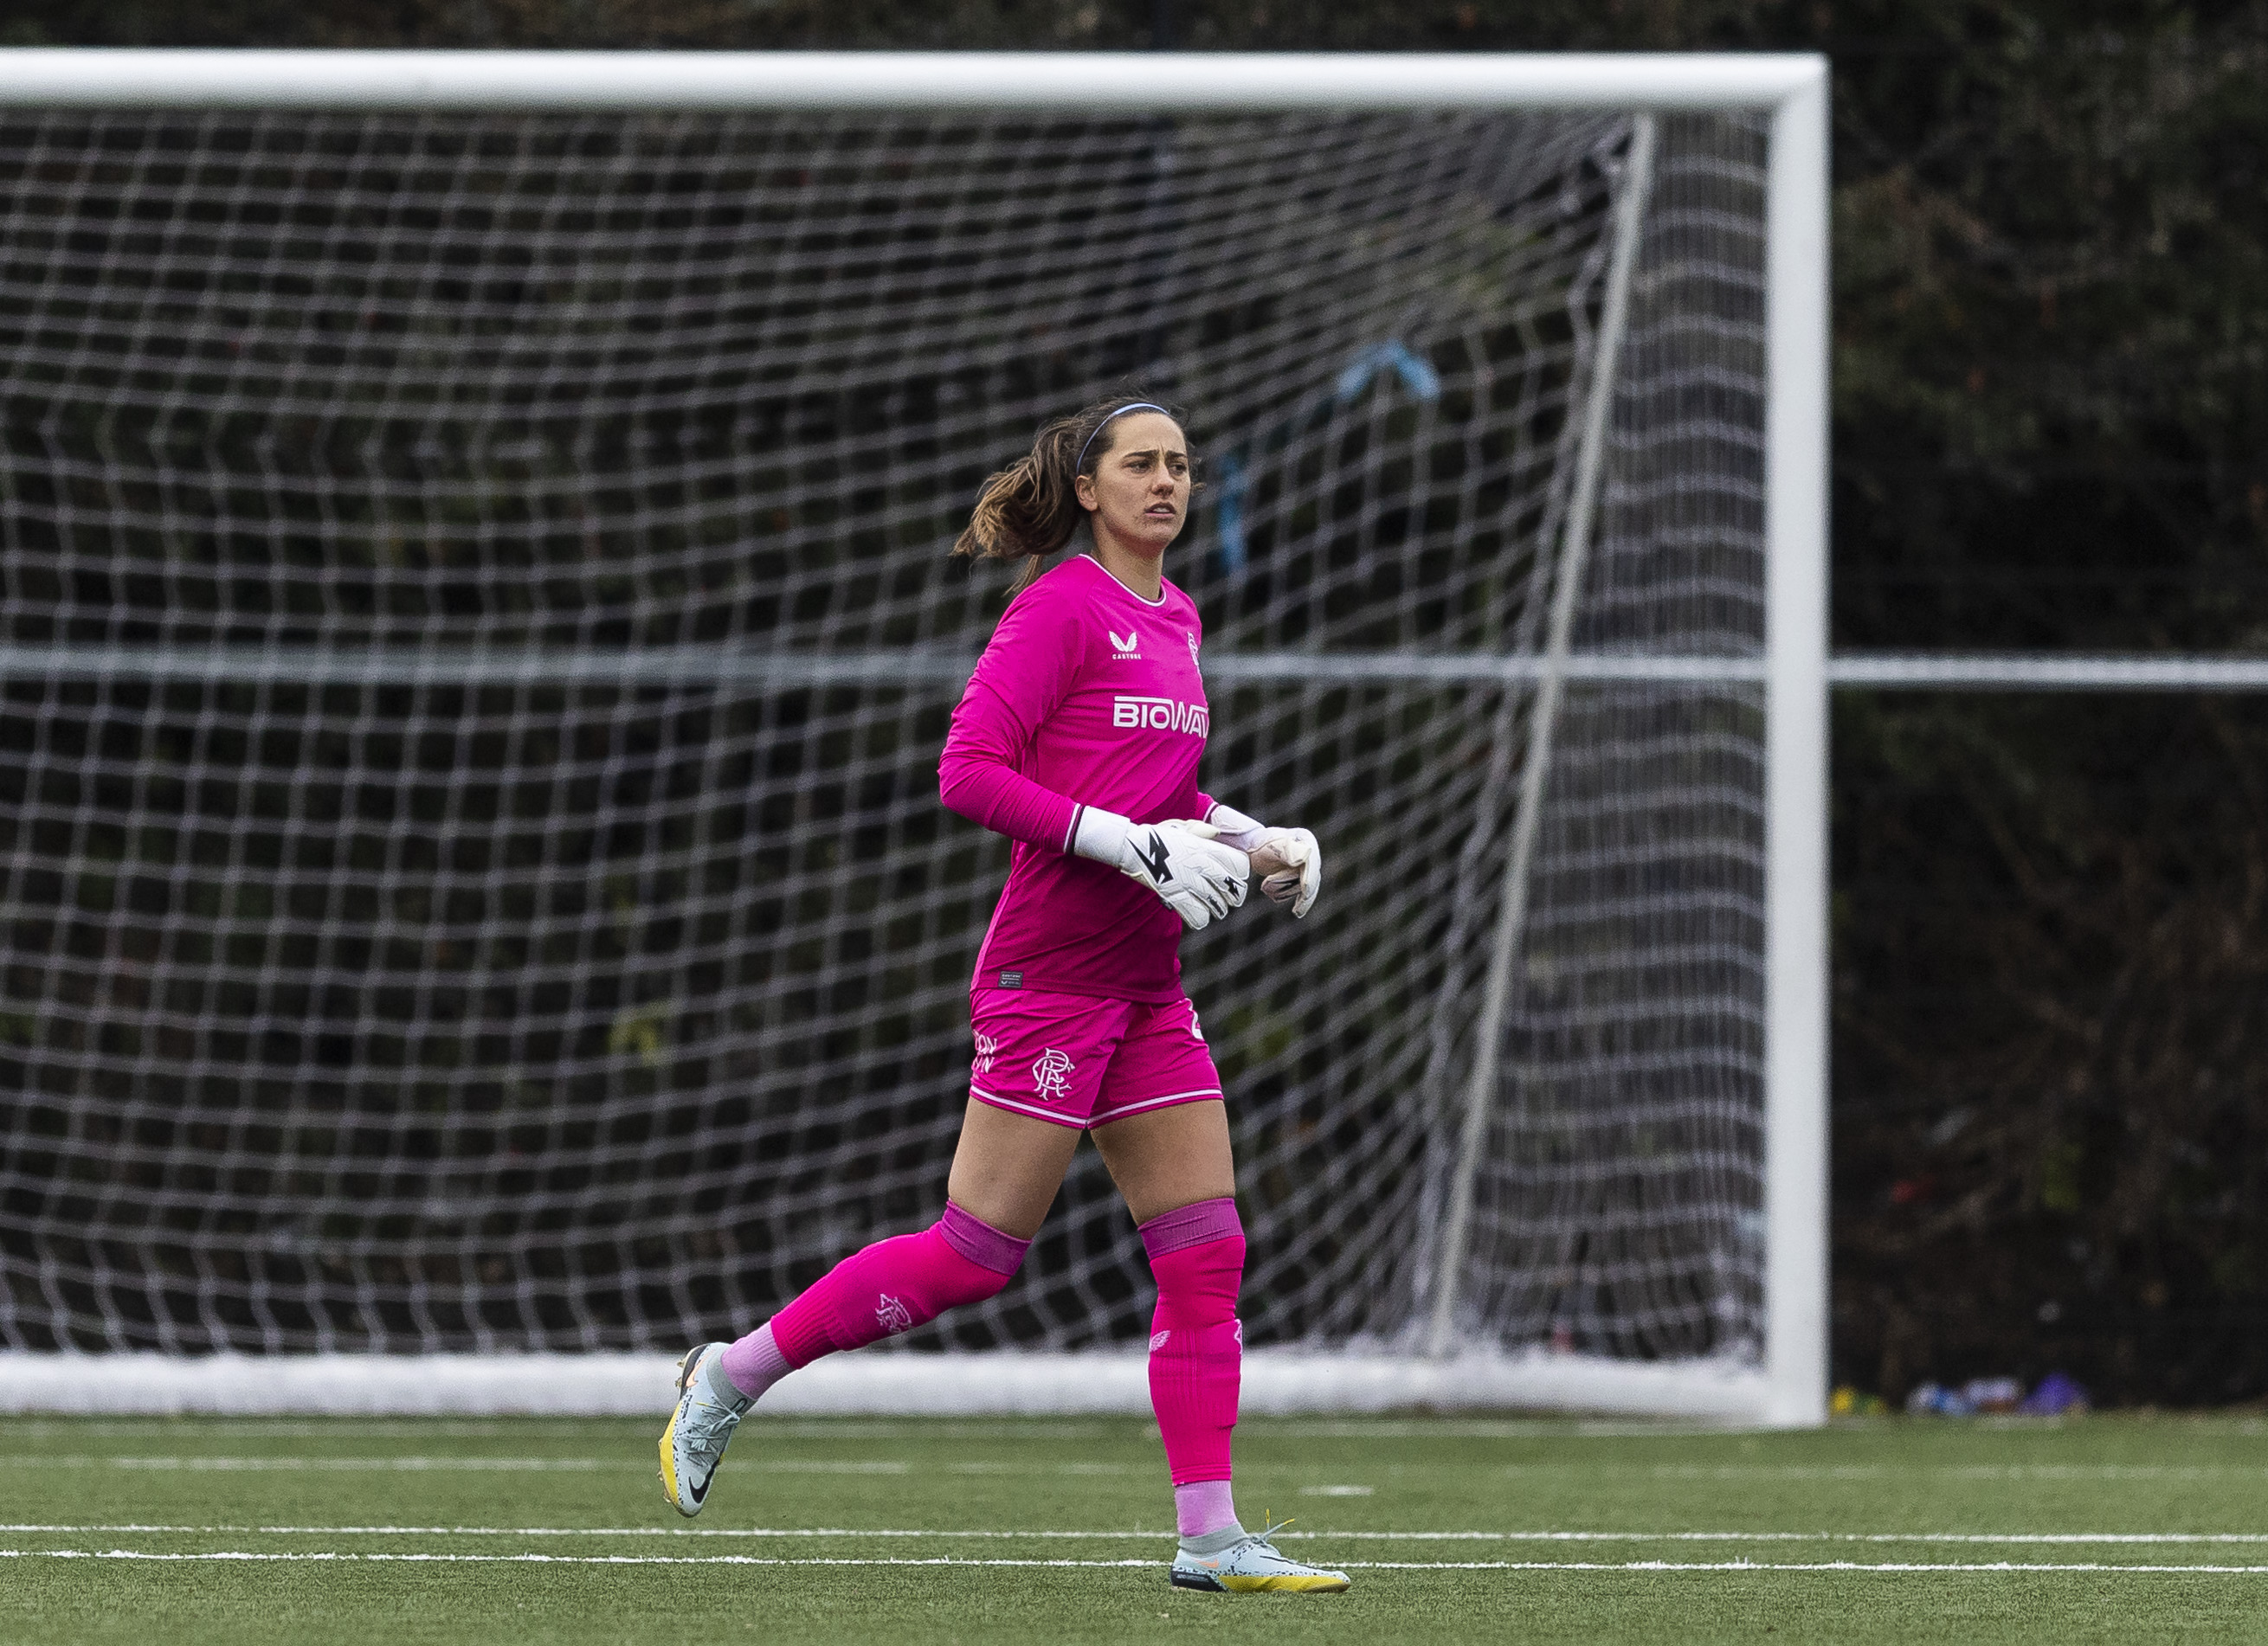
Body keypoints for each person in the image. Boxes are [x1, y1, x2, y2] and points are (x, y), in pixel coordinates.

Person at [658, 396, 1347, 1595]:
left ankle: (1210, 1535)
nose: (1166, 482)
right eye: (1141, 463)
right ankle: (732, 1375)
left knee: (1207, 1252)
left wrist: (1254, 833)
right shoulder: (1058, 606)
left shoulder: (1178, 615)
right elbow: (968, 770)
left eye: (1181, 465)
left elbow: (1162, 790)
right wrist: (1128, 845)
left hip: (1146, 982)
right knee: (973, 1254)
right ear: (1088, 486)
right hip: (1048, 981)